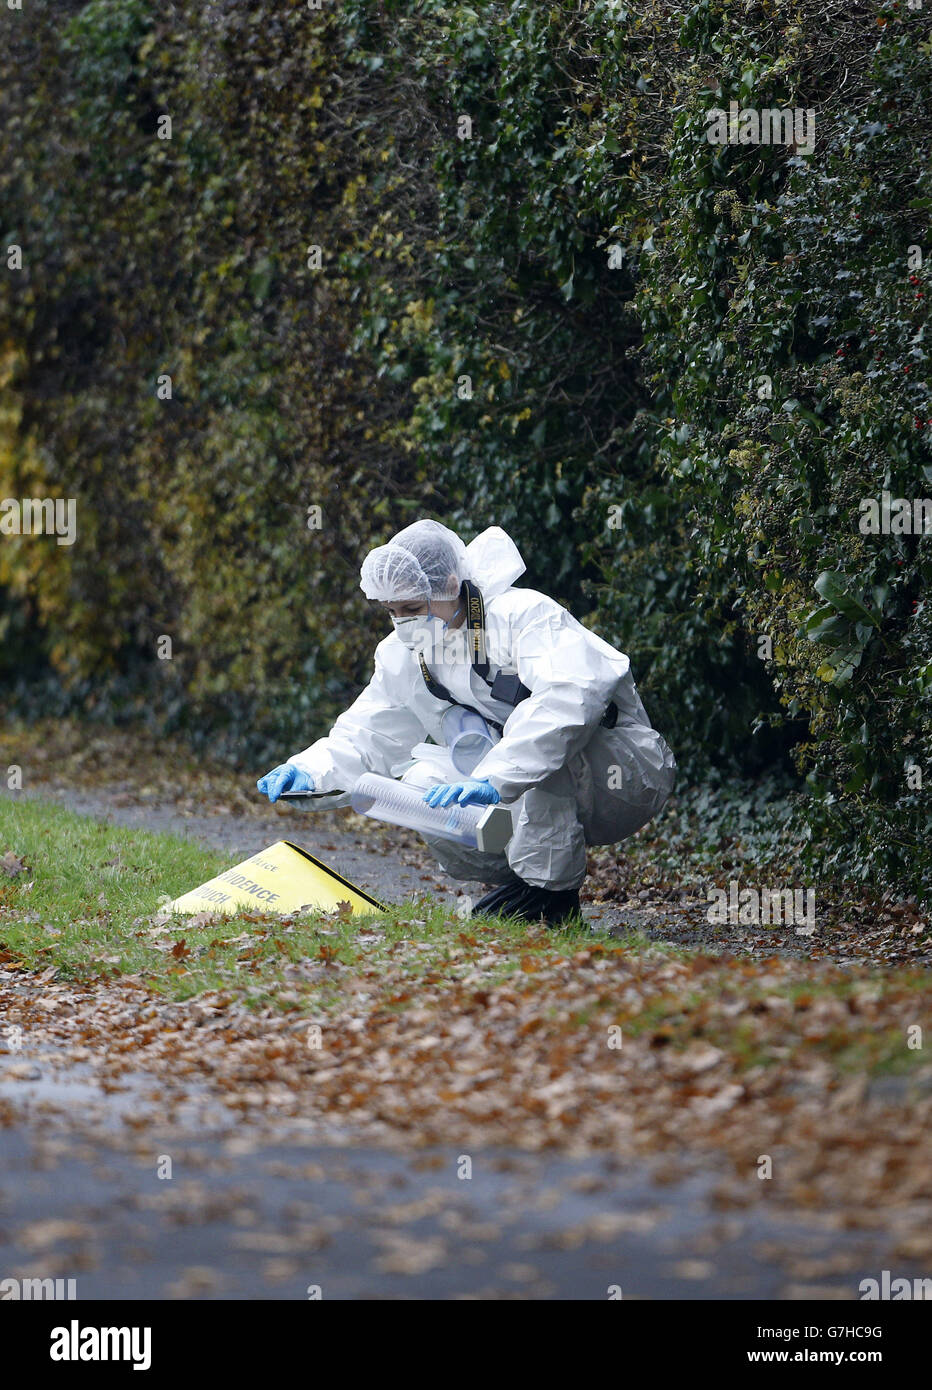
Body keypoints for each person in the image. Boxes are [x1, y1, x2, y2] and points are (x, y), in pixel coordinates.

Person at [257, 519, 675, 927]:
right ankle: (522, 886)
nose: (402, 622)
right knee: (422, 782)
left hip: (620, 769)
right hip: (531, 777)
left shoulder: (521, 614)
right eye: (392, 611)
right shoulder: (408, 653)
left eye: (412, 608)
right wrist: (309, 770)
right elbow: (371, 731)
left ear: (451, 583)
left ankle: (552, 902)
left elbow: (571, 697)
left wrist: (498, 776)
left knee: (538, 743)